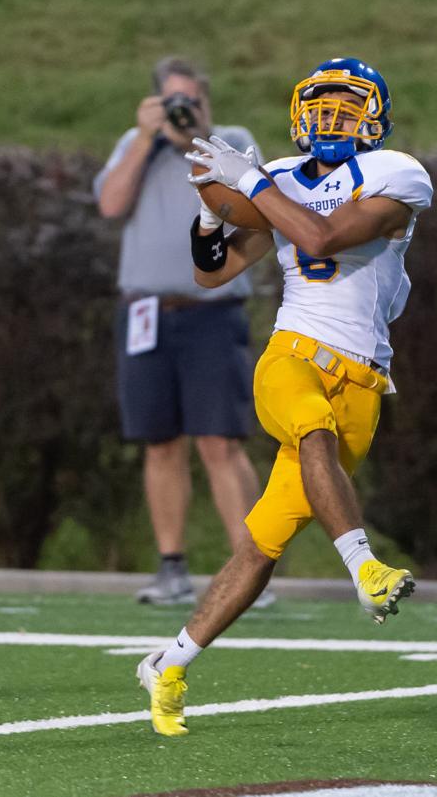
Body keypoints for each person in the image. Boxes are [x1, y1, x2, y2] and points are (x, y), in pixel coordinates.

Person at [136, 57, 433, 736]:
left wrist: (249, 183)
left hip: (361, 380)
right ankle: (367, 569)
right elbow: (213, 273)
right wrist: (209, 217)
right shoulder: (281, 177)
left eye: (347, 105)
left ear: (376, 117)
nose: (332, 117)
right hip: (291, 356)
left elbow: (321, 235)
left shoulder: (397, 173)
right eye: (321, 104)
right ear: (299, 114)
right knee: (309, 424)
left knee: (260, 544)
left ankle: (170, 662)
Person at [94, 56, 267, 606]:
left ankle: (251, 566)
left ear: (206, 100)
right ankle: (172, 566)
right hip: (146, 314)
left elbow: (253, 211)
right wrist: (148, 140)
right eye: (172, 101)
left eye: (190, 100)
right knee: (159, 443)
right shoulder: (135, 144)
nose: (181, 110)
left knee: (220, 441)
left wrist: (202, 137)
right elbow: (110, 203)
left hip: (212, 313)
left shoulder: (231, 140)